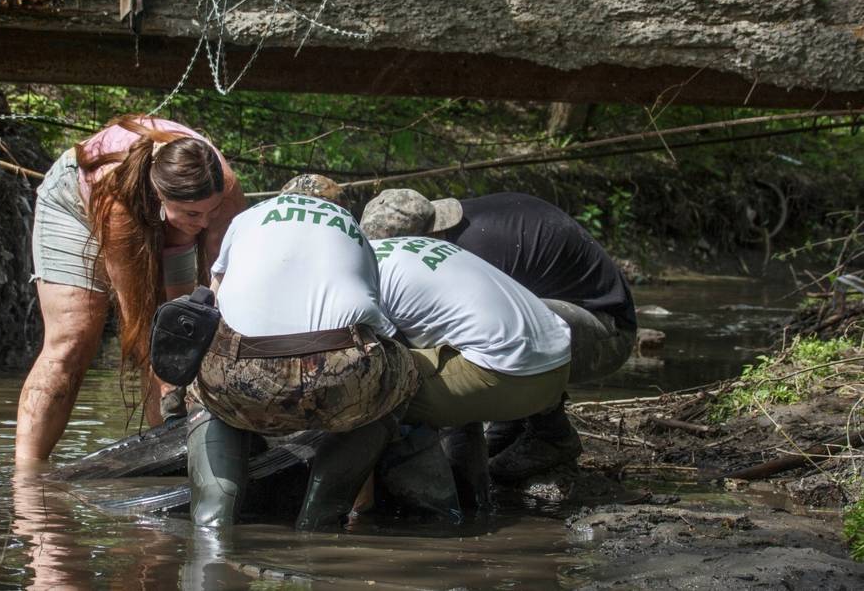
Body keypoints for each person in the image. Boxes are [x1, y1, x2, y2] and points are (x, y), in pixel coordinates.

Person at [185, 175, 418, 529]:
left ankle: (213, 521)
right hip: (336, 374)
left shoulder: (247, 218)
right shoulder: (352, 229)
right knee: (402, 370)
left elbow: (213, 303)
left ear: (282, 198)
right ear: (341, 206)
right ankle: (321, 517)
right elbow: (377, 326)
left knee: (200, 388)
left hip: (241, 375)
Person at [361, 189, 637, 480]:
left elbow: (494, 332)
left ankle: (553, 436)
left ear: (418, 239)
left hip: (607, 332)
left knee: (498, 332)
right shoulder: (459, 225)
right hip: (569, 315)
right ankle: (510, 426)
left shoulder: (477, 248)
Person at [16, 115, 246, 462]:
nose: (205, 224)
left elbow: (231, 289)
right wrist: (171, 390)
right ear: (160, 198)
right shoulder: (119, 206)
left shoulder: (224, 192)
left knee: (188, 324)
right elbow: (140, 320)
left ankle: (179, 454)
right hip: (75, 203)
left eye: (211, 212)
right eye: (193, 214)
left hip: (168, 210)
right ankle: (28, 474)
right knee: (73, 340)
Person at [370, 235, 574, 487]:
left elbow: (393, 360)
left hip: (513, 379)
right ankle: (549, 436)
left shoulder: (355, 275)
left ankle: (449, 497)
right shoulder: (408, 245)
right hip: (557, 364)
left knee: (372, 390)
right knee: (446, 354)